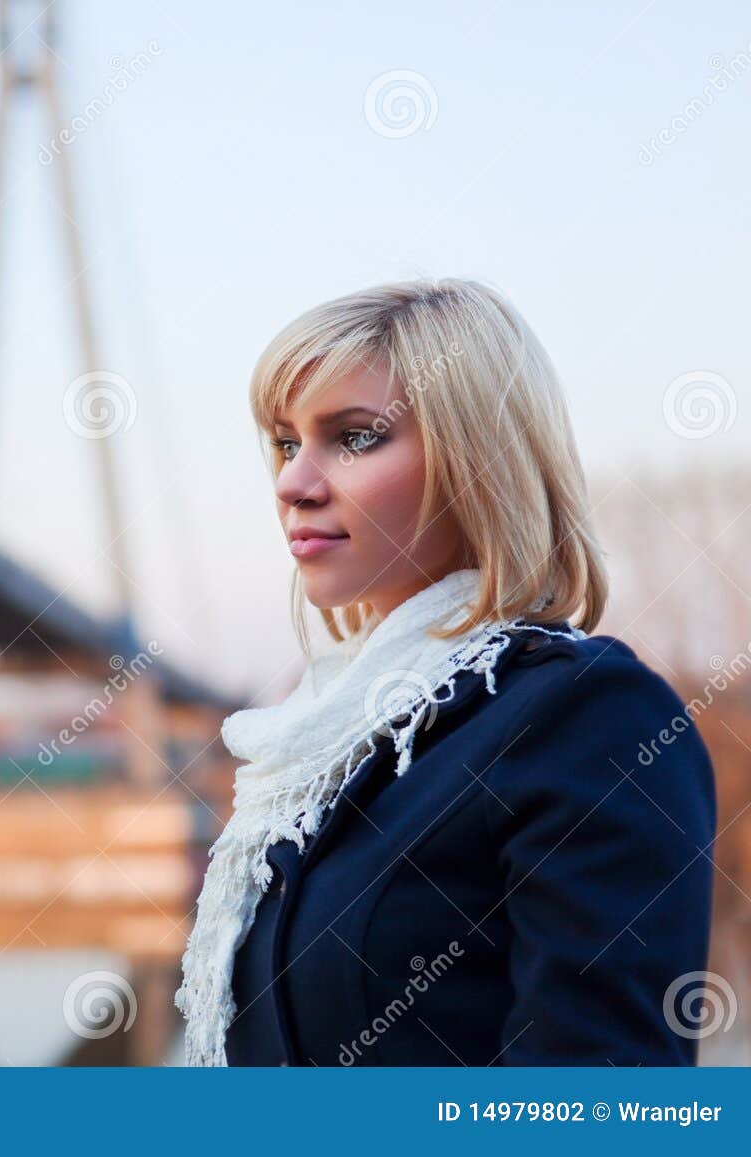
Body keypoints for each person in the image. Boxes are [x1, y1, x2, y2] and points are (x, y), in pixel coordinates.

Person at [174, 278, 718, 1066]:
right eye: (287, 442)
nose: (293, 481)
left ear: (479, 460)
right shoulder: (320, 749)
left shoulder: (586, 712)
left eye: (355, 437)